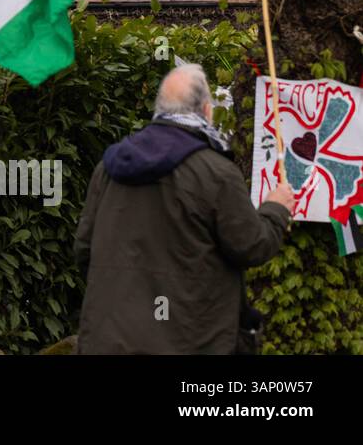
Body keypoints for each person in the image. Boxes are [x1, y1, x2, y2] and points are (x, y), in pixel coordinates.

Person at [74, 63, 295, 354]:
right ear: (206, 110)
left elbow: (83, 250)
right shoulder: (216, 172)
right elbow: (251, 245)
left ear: (159, 109)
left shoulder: (108, 167)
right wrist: (276, 209)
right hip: (189, 341)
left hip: (108, 342)